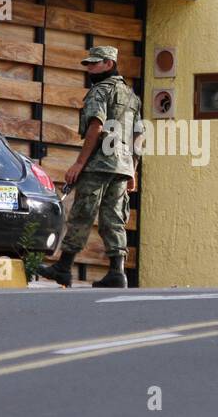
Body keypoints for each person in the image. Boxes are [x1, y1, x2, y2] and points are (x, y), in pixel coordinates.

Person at [38, 46, 141, 288]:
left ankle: (63, 268)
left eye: (94, 64)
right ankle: (117, 272)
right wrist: (132, 170)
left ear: (109, 64)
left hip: (99, 163)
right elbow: (139, 136)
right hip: (121, 166)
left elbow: (96, 125)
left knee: (82, 214)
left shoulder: (100, 91)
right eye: (88, 64)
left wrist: (79, 163)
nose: (90, 68)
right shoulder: (131, 96)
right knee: (114, 217)